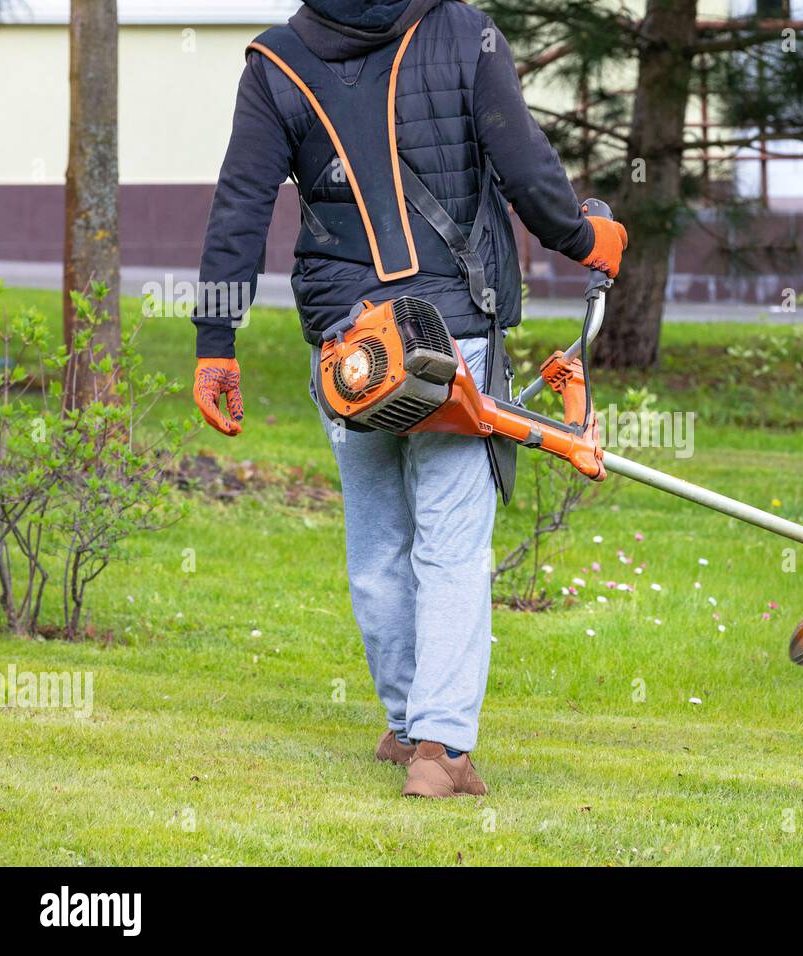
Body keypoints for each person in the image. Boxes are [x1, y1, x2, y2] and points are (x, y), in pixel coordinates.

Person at [190, 0, 628, 798]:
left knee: (378, 541)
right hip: (451, 333)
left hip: (349, 348)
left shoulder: (276, 61)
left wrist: (215, 344)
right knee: (452, 542)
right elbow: (526, 168)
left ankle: (406, 726)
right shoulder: (466, 32)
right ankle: (440, 747)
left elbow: (240, 208)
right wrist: (585, 235)